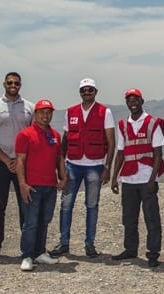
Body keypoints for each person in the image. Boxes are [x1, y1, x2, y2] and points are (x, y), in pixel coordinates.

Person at [49, 78, 115, 258]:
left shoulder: (104, 112)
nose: (87, 92)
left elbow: (111, 141)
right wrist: (61, 166)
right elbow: (65, 139)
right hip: (73, 165)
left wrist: (107, 167)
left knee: (92, 205)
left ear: (96, 92)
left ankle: (90, 244)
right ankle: (64, 243)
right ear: (80, 92)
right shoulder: (71, 112)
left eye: (90, 90)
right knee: (66, 205)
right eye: (84, 90)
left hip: (95, 166)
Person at [110, 88, 164, 267]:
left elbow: (158, 154)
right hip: (128, 179)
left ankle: (153, 254)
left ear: (142, 101)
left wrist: (152, 179)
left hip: (146, 178)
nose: (132, 103)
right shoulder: (123, 125)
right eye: (129, 100)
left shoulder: (152, 123)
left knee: (151, 218)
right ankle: (130, 249)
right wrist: (114, 177)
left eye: (135, 100)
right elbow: (120, 153)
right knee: (129, 217)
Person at [0, 72, 34, 262]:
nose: (13, 85)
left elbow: (34, 136)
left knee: (26, 205)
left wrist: (19, 161)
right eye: (10, 82)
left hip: (23, 163)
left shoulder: (30, 107)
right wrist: (5, 160)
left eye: (16, 83)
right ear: (4, 84)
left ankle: (28, 248)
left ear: (21, 85)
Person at [15, 99, 66, 271]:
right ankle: (27, 255)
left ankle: (39, 252)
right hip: (32, 186)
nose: (45, 115)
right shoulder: (25, 134)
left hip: (50, 186)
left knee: (44, 220)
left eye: (48, 112)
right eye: (42, 112)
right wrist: (22, 183)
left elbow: (59, 158)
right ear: (35, 114)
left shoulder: (55, 135)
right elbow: (20, 160)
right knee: (31, 222)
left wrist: (62, 177)